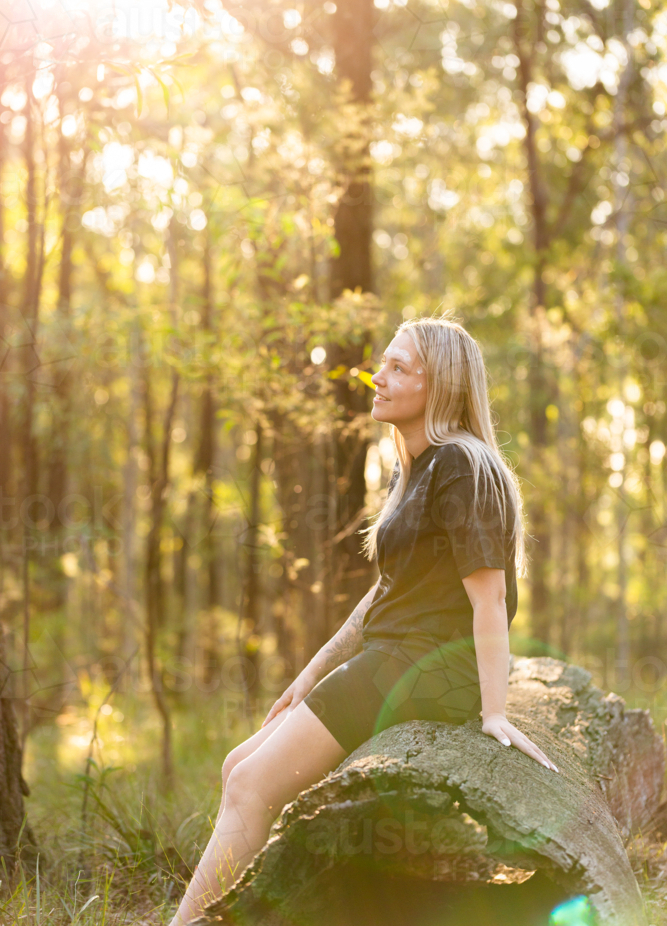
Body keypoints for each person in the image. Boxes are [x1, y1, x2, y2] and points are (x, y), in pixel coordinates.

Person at [168, 314, 558, 926]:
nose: (378, 377)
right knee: (236, 768)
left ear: (442, 386)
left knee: (250, 788)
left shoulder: (462, 465)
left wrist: (495, 713)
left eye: (398, 368)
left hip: (423, 667)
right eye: (384, 363)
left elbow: (489, 599)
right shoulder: (418, 470)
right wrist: (311, 673)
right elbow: (382, 595)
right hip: (389, 658)